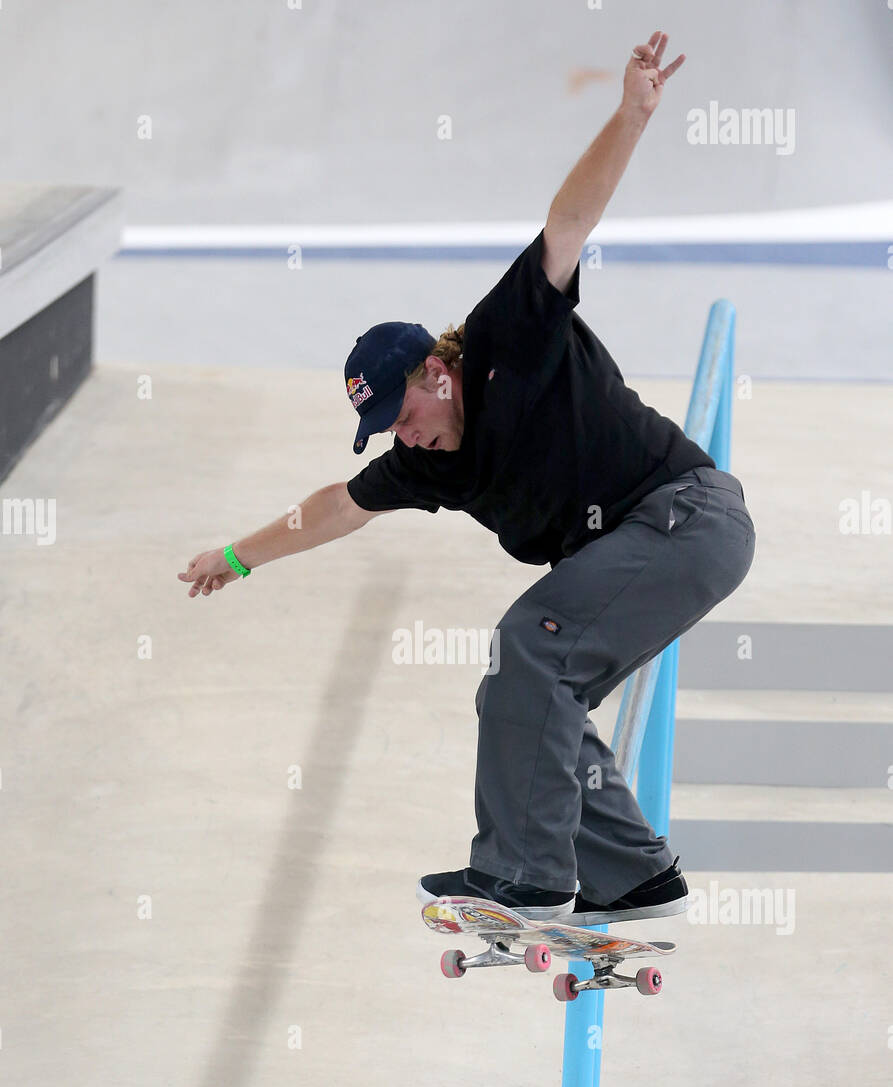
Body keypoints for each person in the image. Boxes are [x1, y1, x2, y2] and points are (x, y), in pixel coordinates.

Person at [179, 32, 755, 926]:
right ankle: (631, 877)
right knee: (526, 687)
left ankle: (523, 876)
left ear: (435, 374)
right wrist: (236, 555)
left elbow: (568, 222)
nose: (403, 438)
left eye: (403, 415)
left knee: (534, 643)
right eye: (386, 432)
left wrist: (631, 114)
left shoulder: (504, 338)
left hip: (685, 519)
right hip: (647, 547)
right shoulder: (426, 463)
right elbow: (337, 504)